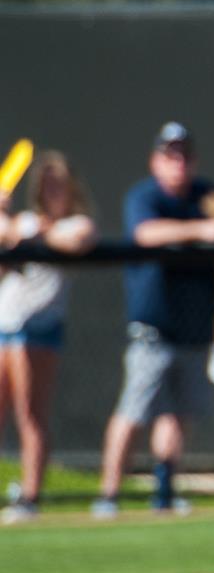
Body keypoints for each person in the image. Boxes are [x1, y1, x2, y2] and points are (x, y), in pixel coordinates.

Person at [95, 123, 214, 519]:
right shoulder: (144, 196)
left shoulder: (206, 195)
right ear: (155, 161)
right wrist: (203, 230)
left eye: (185, 155)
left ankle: (165, 491)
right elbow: (146, 233)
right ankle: (108, 494)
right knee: (134, 411)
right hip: (152, 328)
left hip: (195, 327)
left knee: (179, 415)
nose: (178, 163)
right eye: (170, 155)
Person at [0, 152, 98, 523]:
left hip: (39, 330)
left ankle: (30, 496)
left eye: (60, 186)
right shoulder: (24, 221)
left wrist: (32, 233)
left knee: (31, 414)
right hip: (5, 323)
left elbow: (77, 241)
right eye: (47, 186)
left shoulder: (77, 224)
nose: (53, 192)